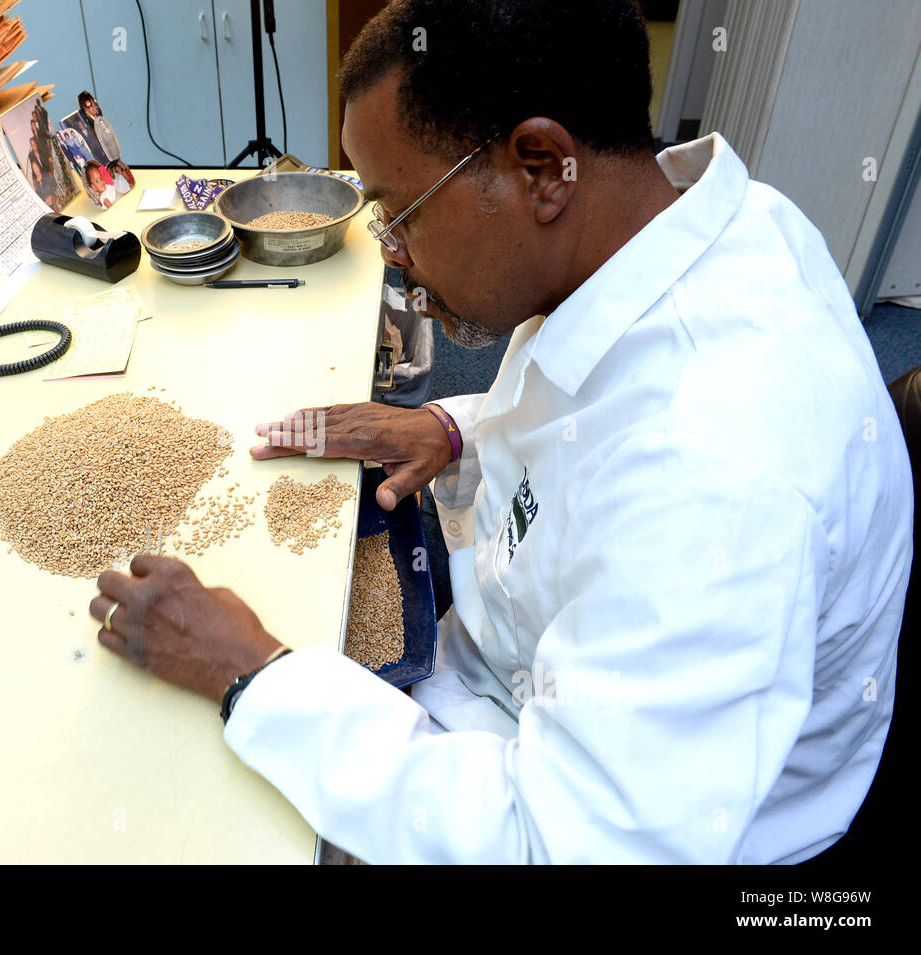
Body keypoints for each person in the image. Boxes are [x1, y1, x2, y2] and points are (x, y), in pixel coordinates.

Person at [88, 0, 911, 864]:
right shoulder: (678, 224)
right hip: (529, 678)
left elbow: (554, 844)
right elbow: (603, 408)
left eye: (400, 211)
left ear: (544, 167)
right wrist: (454, 426)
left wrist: (251, 674)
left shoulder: (713, 474)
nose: (392, 251)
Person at [79, 90, 123, 166]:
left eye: (92, 105)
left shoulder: (100, 120)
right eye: (88, 107)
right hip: (104, 159)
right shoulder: (90, 125)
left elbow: (112, 138)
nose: (91, 109)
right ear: (85, 109)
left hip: (113, 156)